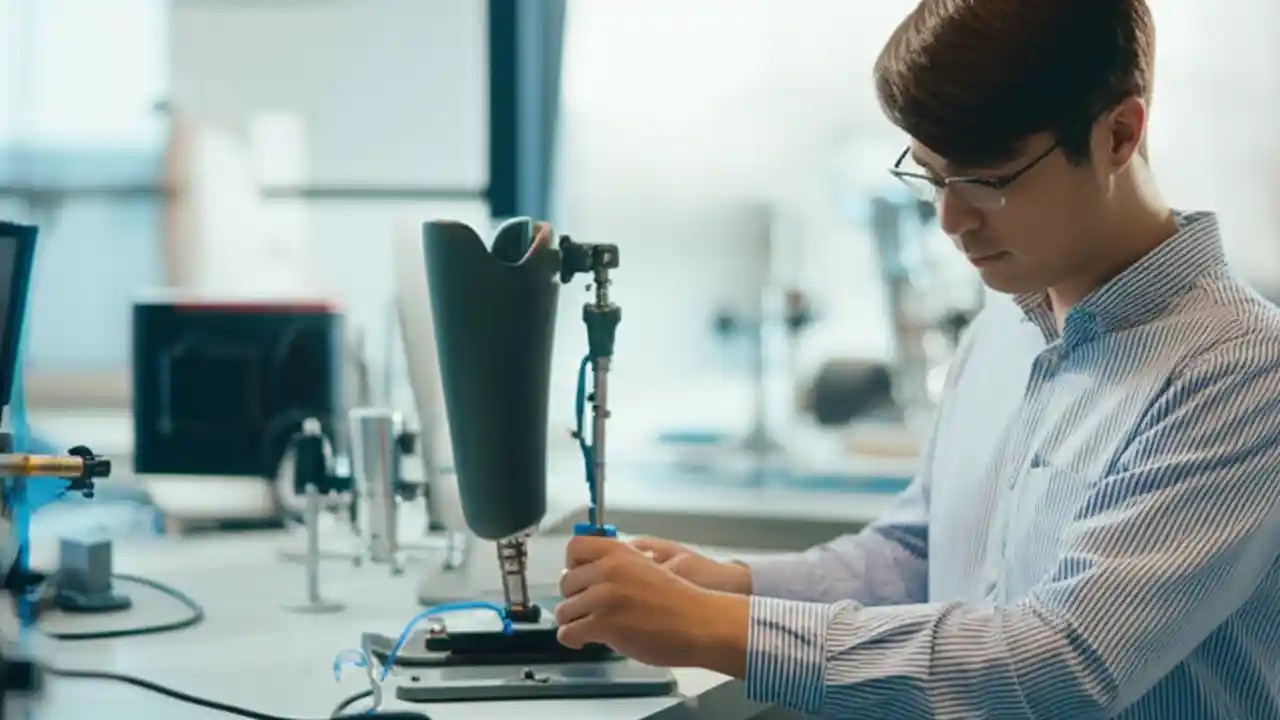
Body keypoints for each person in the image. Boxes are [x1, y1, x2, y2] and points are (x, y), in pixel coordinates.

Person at [555, 1, 1280, 717]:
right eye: (931, 174)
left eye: (987, 178)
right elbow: (918, 556)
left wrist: (717, 628)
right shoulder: (1003, 329)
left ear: (1119, 134)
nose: (951, 221)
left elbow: (1064, 661)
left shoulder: (1242, 371)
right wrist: (734, 585)